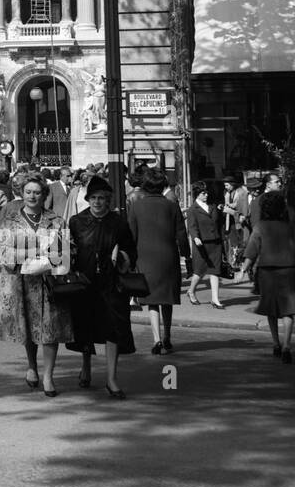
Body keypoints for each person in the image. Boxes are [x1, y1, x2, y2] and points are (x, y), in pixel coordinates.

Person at [0, 174, 74, 398]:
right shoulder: (10, 221)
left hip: (49, 283)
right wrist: (29, 253)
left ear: (44, 195)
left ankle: (48, 375)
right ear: (22, 193)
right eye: (28, 192)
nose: (32, 196)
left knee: (50, 331)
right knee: (28, 329)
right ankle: (32, 365)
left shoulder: (57, 221)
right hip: (20, 283)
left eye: (37, 192)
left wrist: (59, 255)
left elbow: (69, 249)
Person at [66, 174, 138, 399]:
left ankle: (111, 378)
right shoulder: (77, 221)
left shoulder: (118, 222)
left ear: (108, 200)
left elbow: (131, 250)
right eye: (94, 198)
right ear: (87, 199)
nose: (98, 202)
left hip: (112, 283)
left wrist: (124, 257)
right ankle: (86, 365)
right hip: (85, 283)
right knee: (85, 327)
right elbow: (69, 251)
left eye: (102, 198)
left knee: (113, 328)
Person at [241, 190, 295, 362]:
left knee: (270, 308)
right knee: (288, 309)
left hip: (267, 272)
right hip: (288, 270)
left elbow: (251, 252)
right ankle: (287, 345)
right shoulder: (291, 228)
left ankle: (276, 344)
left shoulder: (260, 227)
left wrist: (243, 270)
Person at [128, 169, 187, 354]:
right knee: (166, 299)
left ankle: (156, 339)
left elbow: (132, 234)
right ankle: (168, 336)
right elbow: (181, 233)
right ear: (162, 185)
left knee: (152, 301)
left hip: (145, 257)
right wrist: (187, 255)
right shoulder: (172, 205)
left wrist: (130, 260)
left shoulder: (136, 206)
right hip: (168, 256)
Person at [186, 180, 226, 308]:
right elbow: (191, 226)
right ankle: (191, 290)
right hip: (201, 244)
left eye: (207, 193)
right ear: (197, 194)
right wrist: (195, 237)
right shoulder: (193, 209)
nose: (206, 195)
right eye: (203, 193)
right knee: (199, 271)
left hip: (215, 243)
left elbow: (218, 223)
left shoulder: (213, 206)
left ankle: (215, 299)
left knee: (215, 271)